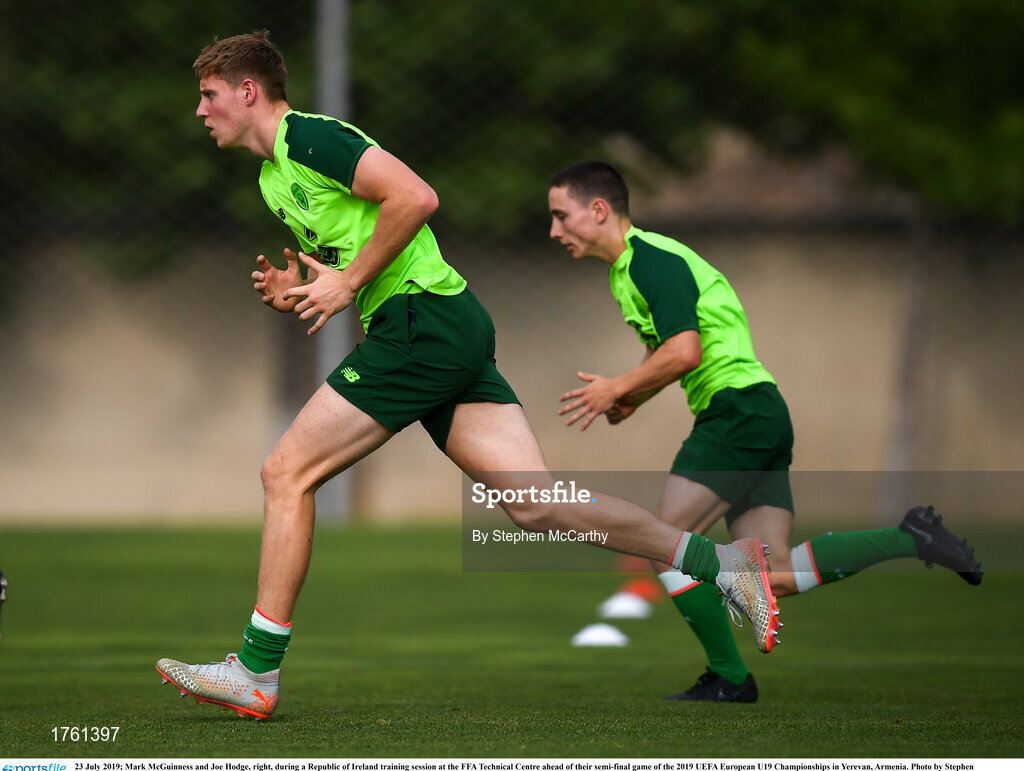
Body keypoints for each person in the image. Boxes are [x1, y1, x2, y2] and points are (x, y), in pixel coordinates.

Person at [156, 32, 780, 720]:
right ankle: (725, 566)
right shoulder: (273, 178)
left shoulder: (309, 138)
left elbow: (416, 198)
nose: (200, 110)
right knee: (536, 504)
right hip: (442, 325)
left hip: (422, 324)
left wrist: (350, 282)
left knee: (285, 473)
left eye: (209, 95)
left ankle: (255, 668)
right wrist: (305, 285)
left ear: (248, 92)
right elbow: (358, 251)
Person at [548, 160, 983, 703]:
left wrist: (619, 388)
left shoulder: (649, 262)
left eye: (561, 216)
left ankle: (730, 679)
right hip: (758, 413)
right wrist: (633, 394)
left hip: (738, 414)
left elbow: (686, 351)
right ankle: (912, 535)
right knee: (773, 573)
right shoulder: (628, 272)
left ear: (598, 209)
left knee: (662, 543)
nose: (554, 231)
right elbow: (668, 351)